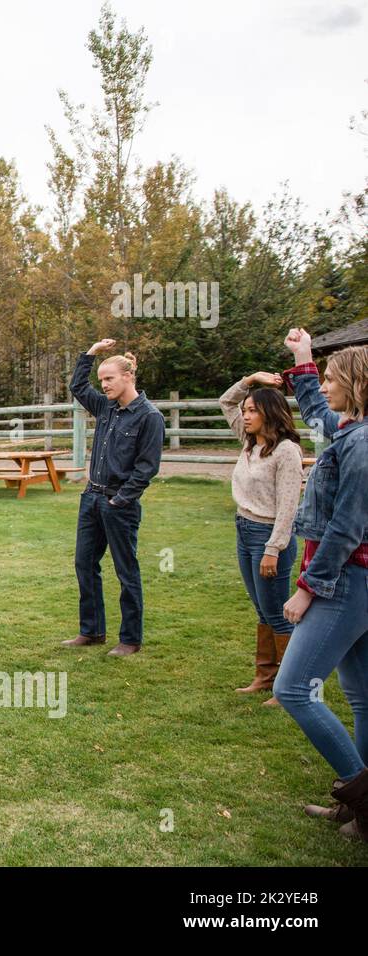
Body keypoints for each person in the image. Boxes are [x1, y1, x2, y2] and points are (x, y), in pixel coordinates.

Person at [271, 330, 368, 840]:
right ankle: (358, 812)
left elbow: (347, 527)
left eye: (331, 379)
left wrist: (308, 585)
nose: (324, 386)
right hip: (356, 582)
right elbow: (315, 415)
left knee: (292, 688)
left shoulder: (362, 444)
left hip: (346, 582)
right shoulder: (351, 431)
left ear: (355, 383)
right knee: (362, 697)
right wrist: (304, 361)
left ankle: (362, 797)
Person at [64, 339, 165, 656]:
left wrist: (120, 499)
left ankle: (130, 639)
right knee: (84, 564)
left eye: (109, 378)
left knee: (126, 570)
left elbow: (146, 468)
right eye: (102, 379)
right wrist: (90, 354)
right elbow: (78, 386)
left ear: (128, 376)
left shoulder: (149, 417)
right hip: (90, 498)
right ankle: (91, 631)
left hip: (118, 505)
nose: (103, 385)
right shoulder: (105, 407)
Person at [218, 373, 304, 704]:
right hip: (244, 530)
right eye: (247, 410)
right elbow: (226, 401)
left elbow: (288, 508)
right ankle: (265, 676)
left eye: (253, 410)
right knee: (262, 610)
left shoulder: (286, 452)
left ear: (270, 412)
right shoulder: (251, 442)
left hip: (270, 538)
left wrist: (273, 549)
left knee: (276, 611)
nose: (246, 415)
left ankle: (288, 685)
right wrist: (249, 380)